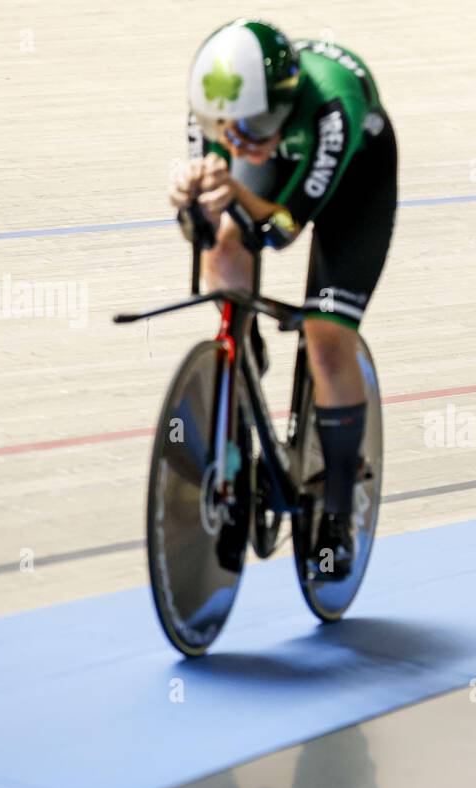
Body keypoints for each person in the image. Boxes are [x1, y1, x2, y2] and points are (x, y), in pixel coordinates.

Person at [169, 19, 397, 580]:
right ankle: (241, 354)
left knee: (326, 338)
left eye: (258, 124)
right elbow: (201, 233)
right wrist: (191, 207)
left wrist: (239, 192)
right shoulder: (220, 110)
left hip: (354, 182)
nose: (240, 139)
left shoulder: (333, 107)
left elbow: (284, 230)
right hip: (284, 166)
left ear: (285, 103)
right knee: (222, 252)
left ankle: (339, 510)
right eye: (229, 127)